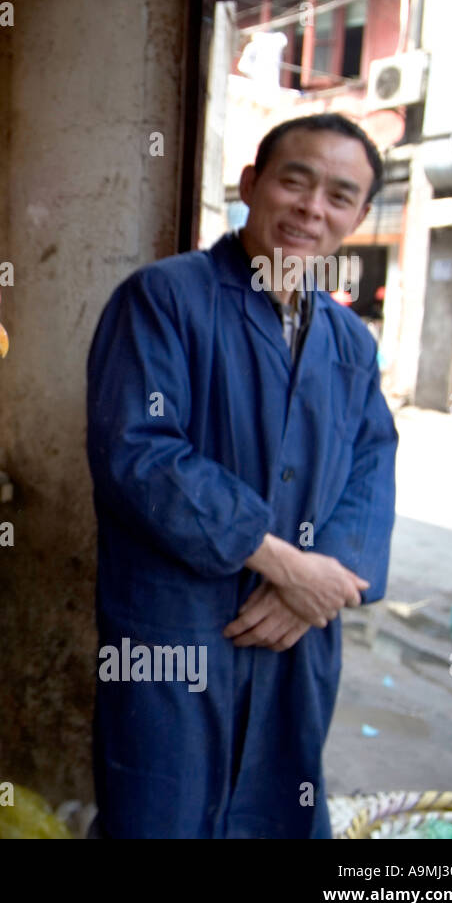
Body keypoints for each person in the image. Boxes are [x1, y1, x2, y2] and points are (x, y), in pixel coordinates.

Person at [86, 113, 399, 838]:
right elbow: (138, 451)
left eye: (340, 195)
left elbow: (372, 465)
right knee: (161, 808)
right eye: (296, 180)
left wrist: (321, 582)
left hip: (297, 630)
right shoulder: (164, 299)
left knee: (279, 804)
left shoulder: (350, 342)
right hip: (176, 625)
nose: (312, 209)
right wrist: (280, 560)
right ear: (251, 184)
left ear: (358, 215)